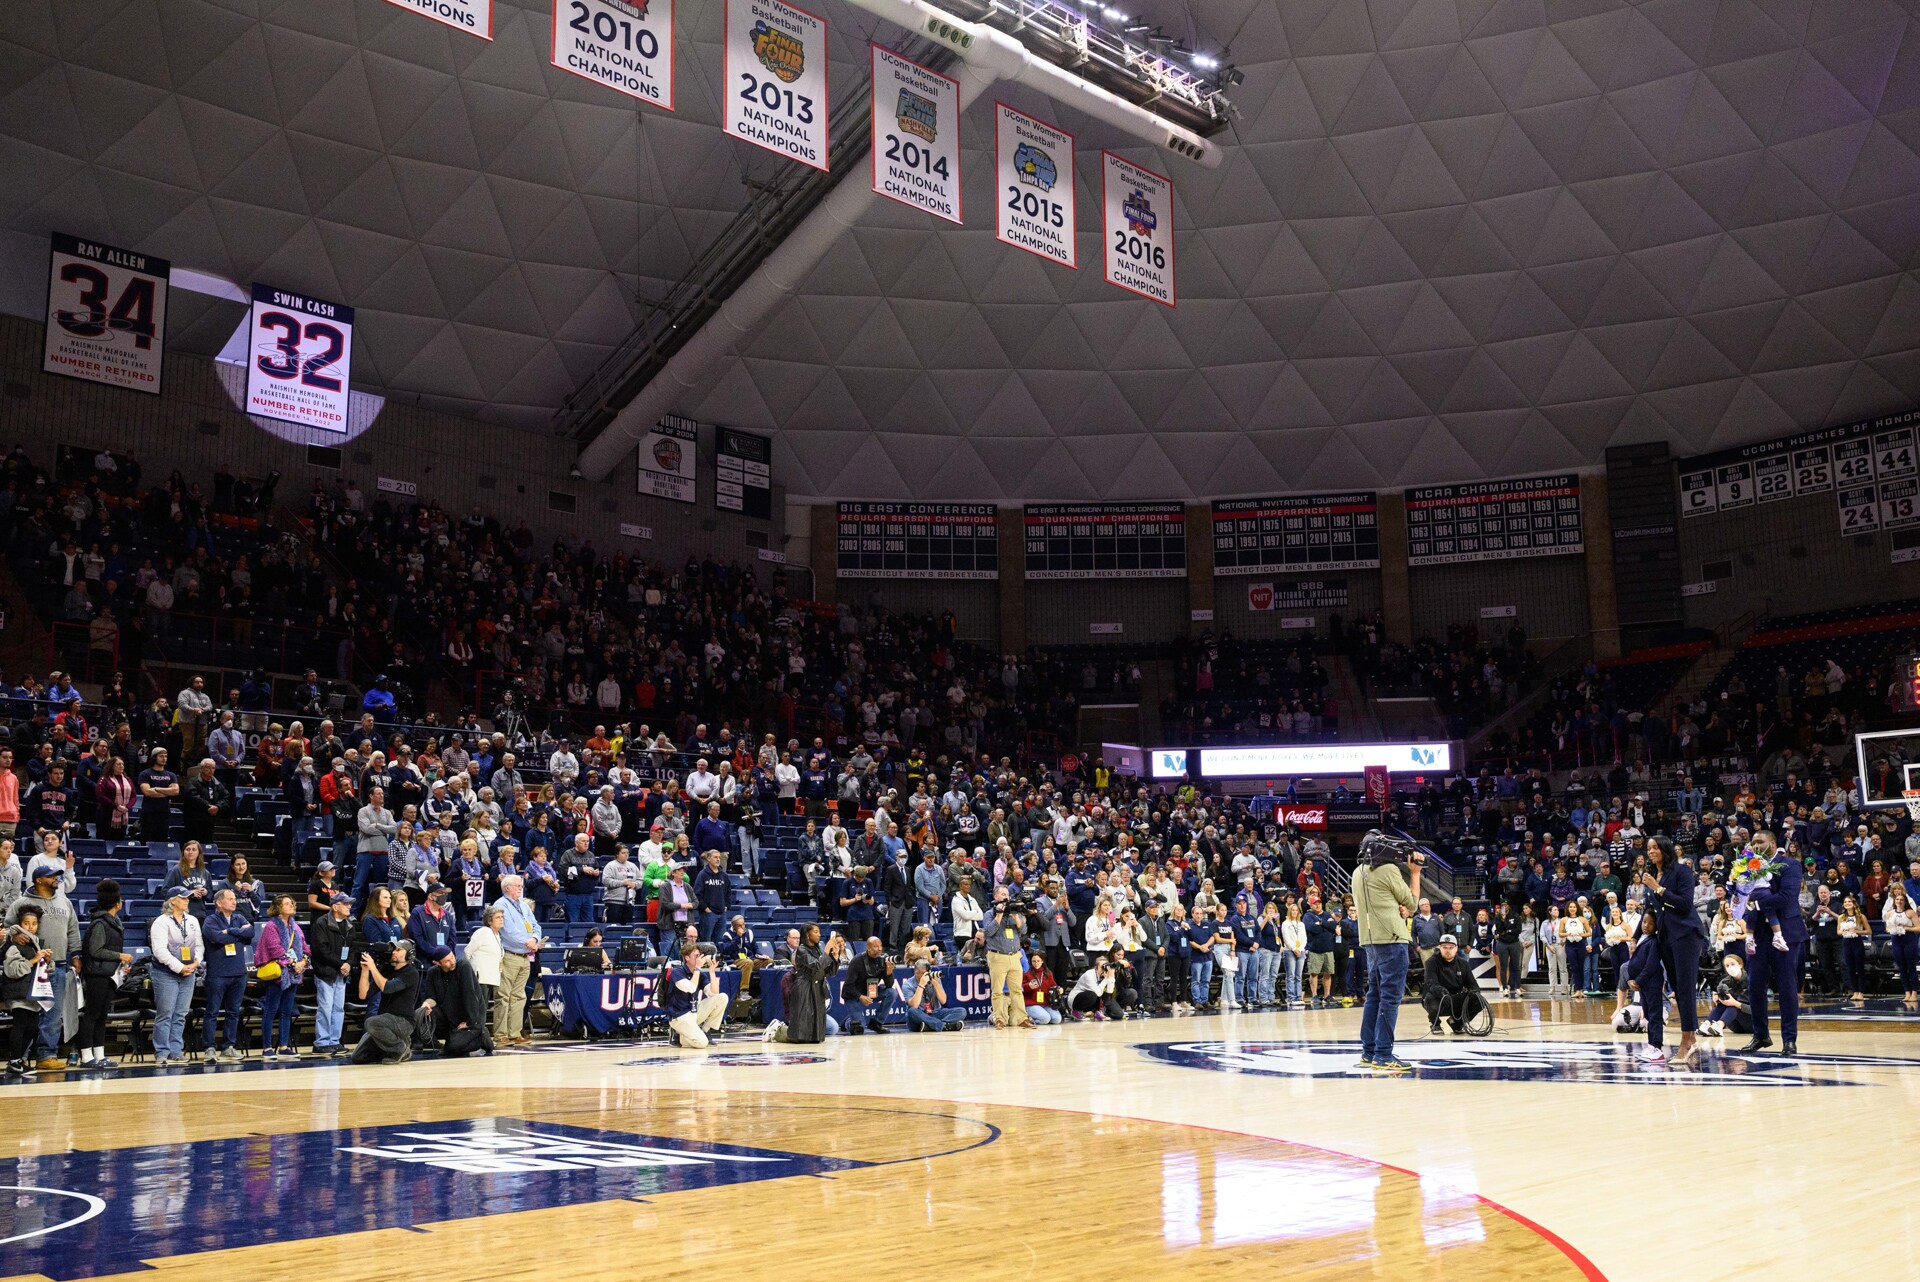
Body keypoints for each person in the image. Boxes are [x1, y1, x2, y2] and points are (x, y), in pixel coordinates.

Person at [1353, 831, 1422, 1073]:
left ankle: (1368, 1052)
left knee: (1374, 995)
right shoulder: (1389, 870)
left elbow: (1378, 902)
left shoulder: (1357, 873)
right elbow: (1413, 904)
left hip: (1370, 940)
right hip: (1392, 940)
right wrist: (1415, 873)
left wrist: (1397, 908)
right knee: (1390, 998)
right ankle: (1383, 1054)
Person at [1742, 830, 1806, 1055]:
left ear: (1773, 842)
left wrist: (1757, 904)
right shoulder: (1748, 866)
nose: (1756, 844)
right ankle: (1760, 1035)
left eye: (1760, 841)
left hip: (1785, 932)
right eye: (1753, 841)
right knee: (1754, 987)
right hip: (1757, 934)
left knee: (1787, 987)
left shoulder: (1790, 864)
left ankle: (1789, 1039)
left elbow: (1787, 897)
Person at [10, 862, 79, 1070]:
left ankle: (46, 1056)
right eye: (52, 876)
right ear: (39, 880)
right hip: (31, 967)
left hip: (58, 964)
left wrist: (76, 955)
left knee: (53, 1014)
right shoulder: (21, 902)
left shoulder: (64, 901)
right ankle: (19, 1058)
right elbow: (7, 927)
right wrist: (16, 935)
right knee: (29, 1016)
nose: (57, 879)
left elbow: (73, 930)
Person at [75, 879, 130, 1070]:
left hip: (107, 973)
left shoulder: (113, 922)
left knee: (102, 1015)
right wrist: (119, 955)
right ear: (117, 903)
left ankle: (99, 1054)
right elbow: (95, 950)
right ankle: (86, 1056)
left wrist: (119, 963)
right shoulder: (100, 923)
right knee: (92, 1015)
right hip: (96, 974)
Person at [147, 888, 203, 1066]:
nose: (187, 900)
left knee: (180, 1014)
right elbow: (159, 950)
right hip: (166, 973)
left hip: (189, 972)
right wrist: (179, 967)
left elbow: (200, 945)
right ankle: (162, 1051)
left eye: (188, 897)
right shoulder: (161, 922)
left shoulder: (192, 920)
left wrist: (196, 963)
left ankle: (176, 1050)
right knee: (165, 1013)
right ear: (172, 901)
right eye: (183, 897)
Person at [762, 924, 844, 1044]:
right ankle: (777, 1031)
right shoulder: (801, 950)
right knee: (802, 1036)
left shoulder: (817, 950)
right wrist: (827, 951)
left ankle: (784, 1031)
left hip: (816, 989)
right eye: (815, 932)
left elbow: (830, 972)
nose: (819, 934)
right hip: (804, 988)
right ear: (807, 934)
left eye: (819, 932)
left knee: (816, 1036)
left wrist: (835, 956)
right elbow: (816, 966)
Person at [201, 887, 256, 1062]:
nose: (234, 901)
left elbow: (251, 932)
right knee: (212, 1012)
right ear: (219, 903)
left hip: (238, 972)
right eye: (230, 899)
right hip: (218, 973)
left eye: (234, 898)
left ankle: (228, 1046)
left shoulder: (238, 917)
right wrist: (238, 935)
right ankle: (209, 1047)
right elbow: (216, 938)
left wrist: (230, 931)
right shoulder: (210, 920)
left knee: (233, 1012)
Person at [254, 894, 309, 1059]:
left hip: (293, 975)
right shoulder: (271, 926)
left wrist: (303, 962)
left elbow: (305, 948)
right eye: (287, 903)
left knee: (287, 1011)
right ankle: (267, 1048)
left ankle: (284, 1046)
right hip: (277, 974)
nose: (291, 905)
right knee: (271, 1010)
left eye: (292, 902)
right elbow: (275, 949)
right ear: (278, 908)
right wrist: (294, 964)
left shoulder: (295, 926)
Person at [491, 874, 544, 1047]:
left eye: (521, 886)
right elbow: (508, 931)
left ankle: (514, 1033)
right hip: (510, 955)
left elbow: (536, 926)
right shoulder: (500, 905)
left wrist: (535, 939)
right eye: (517, 886)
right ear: (507, 888)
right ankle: (500, 1035)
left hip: (525, 957)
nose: (521, 888)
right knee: (503, 995)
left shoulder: (523, 905)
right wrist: (526, 941)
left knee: (519, 996)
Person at [353, 937, 421, 1064]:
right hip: (385, 1020)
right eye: (393, 949)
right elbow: (363, 995)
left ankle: (400, 1048)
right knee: (358, 1057)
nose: (394, 952)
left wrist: (373, 967)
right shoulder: (386, 970)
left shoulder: (411, 973)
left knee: (371, 1023)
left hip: (403, 1021)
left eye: (398, 950)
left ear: (409, 954)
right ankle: (390, 1047)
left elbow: (387, 988)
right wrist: (365, 970)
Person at [421, 950, 494, 1057]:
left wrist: (470, 1022)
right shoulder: (433, 972)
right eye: (447, 961)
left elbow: (470, 996)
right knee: (427, 1013)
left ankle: (481, 1036)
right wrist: (426, 1004)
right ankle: (441, 1040)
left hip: (470, 1018)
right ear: (438, 963)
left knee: (452, 1048)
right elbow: (432, 998)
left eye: (452, 957)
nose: (452, 962)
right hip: (449, 1016)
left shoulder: (464, 966)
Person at [308, 891, 356, 1054]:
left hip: (341, 973)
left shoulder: (349, 925)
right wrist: (341, 964)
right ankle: (321, 1042)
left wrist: (348, 964)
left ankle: (334, 1041)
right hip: (326, 973)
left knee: (338, 1008)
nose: (349, 906)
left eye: (350, 903)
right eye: (346, 904)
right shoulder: (321, 923)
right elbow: (321, 949)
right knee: (325, 1008)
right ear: (335, 907)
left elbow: (353, 949)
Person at [2, 908, 48, 1077]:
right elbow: (13, 970)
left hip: (32, 993)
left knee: (32, 1028)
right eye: (26, 923)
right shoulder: (14, 944)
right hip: (18, 993)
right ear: (19, 924)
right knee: (20, 1026)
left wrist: (46, 961)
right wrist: (34, 960)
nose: (30, 927)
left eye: (34, 924)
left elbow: (42, 970)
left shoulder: (35, 943)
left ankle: (18, 1060)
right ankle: (14, 1061)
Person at [1623, 911, 1668, 1064]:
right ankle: (1651, 1045)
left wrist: (1638, 980)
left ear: (1656, 926)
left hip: (1652, 983)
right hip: (1643, 984)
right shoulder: (1642, 939)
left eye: (1650, 923)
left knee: (1655, 1015)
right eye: (1644, 922)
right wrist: (1630, 979)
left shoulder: (1654, 942)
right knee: (1648, 1014)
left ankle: (1657, 1047)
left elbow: (1651, 965)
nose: (1646, 925)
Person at [1422, 934, 1486, 1033]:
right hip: (1439, 997)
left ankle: (1457, 1023)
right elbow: (1431, 982)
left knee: (1479, 1000)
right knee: (1430, 998)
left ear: (1456, 948)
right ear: (1440, 948)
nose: (1448, 950)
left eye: (1451, 947)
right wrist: (1440, 991)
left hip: (1455, 997)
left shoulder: (1463, 964)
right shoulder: (1431, 962)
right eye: (1444, 947)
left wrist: (1474, 991)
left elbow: (1473, 984)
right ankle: (1435, 1023)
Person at [981, 893, 1027, 1029]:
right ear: (996, 896)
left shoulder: (1015, 911)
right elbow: (988, 932)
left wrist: (1017, 918)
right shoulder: (989, 914)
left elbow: (1024, 931)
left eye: (1007, 894)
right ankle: (999, 1018)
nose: (1006, 897)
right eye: (1002, 894)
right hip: (998, 956)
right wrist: (999, 915)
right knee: (997, 990)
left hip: (1014, 956)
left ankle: (1021, 1018)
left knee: (1017, 989)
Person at [841, 935, 894, 1035]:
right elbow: (848, 986)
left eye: (880, 946)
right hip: (853, 994)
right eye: (875, 946)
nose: (878, 949)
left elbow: (889, 985)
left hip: (871, 991)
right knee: (859, 1029)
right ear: (868, 948)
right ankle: (848, 1022)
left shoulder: (884, 960)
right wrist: (860, 997)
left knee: (892, 993)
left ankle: (877, 1023)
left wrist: (889, 973)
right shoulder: (857, 961)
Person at [466, 905, 506, 1022]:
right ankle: (478, 1034)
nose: (501, 919)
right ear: (489, 920)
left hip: (491, 978)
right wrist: (472, 971)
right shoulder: (483, 932)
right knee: (479, 1010)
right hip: (480, 977)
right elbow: (467, 952)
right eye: (497, 917)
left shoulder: (498, 935)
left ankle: (480, 1034)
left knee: (483, 1009)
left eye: (502, 917)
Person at [903, 960, 964, 1031]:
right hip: (920, 1016)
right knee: (912, 1011)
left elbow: (943, 1001)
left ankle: (931, 1026)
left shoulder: (934, 979)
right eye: (924, 973)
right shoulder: (908, 984)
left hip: (936, 1013)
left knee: (961, 1011)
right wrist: (921, 984)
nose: (928, 974)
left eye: (928, 972)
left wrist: (936, 984)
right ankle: (945, 1026)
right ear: (916, 973)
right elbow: (914, 1005)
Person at [1701, 953, 1751, 1037]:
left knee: (1733, 1005)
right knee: (1724, 1004)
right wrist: (1718, 999)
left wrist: (1736, 1004)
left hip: (1752, 1022)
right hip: (1735, 1026)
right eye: (1727, 966)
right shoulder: (1724, 982)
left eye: (1732, 964)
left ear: (1740, 965)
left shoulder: (1751, 980)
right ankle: (1707, 1024)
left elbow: (1758, 1010)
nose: (1730, 967)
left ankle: (1719, 1025)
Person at [1069, 954, 1123, 1021]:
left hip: (1094, 999)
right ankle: (1076, 1012)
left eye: (1106, 966)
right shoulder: (1089, 974)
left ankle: (1098, 1012)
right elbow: (1097, 993)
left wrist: (1111, 977)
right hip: (1077, 1000)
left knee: (1118, 1014)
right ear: (1096, 967)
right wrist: (1106, 979)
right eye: (1102, 967)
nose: (1104, 969)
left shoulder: (1107, 974)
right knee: (1092, 995)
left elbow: (1109, 992)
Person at [1023, 948, 1061, 1024]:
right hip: (1032, 1004)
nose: (1036, 963)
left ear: (1042, 961)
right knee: (1045, 1019)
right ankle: (1030, 1019)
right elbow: (1021, 987)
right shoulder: (1027, 973)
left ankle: (1039, 1016)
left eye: (1038, 961)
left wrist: (1058, 989)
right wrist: (1028, 986)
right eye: (1034, 961)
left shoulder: (1048, 973)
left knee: (1057, 1019)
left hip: (1046, 1003)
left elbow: (1053, 986)